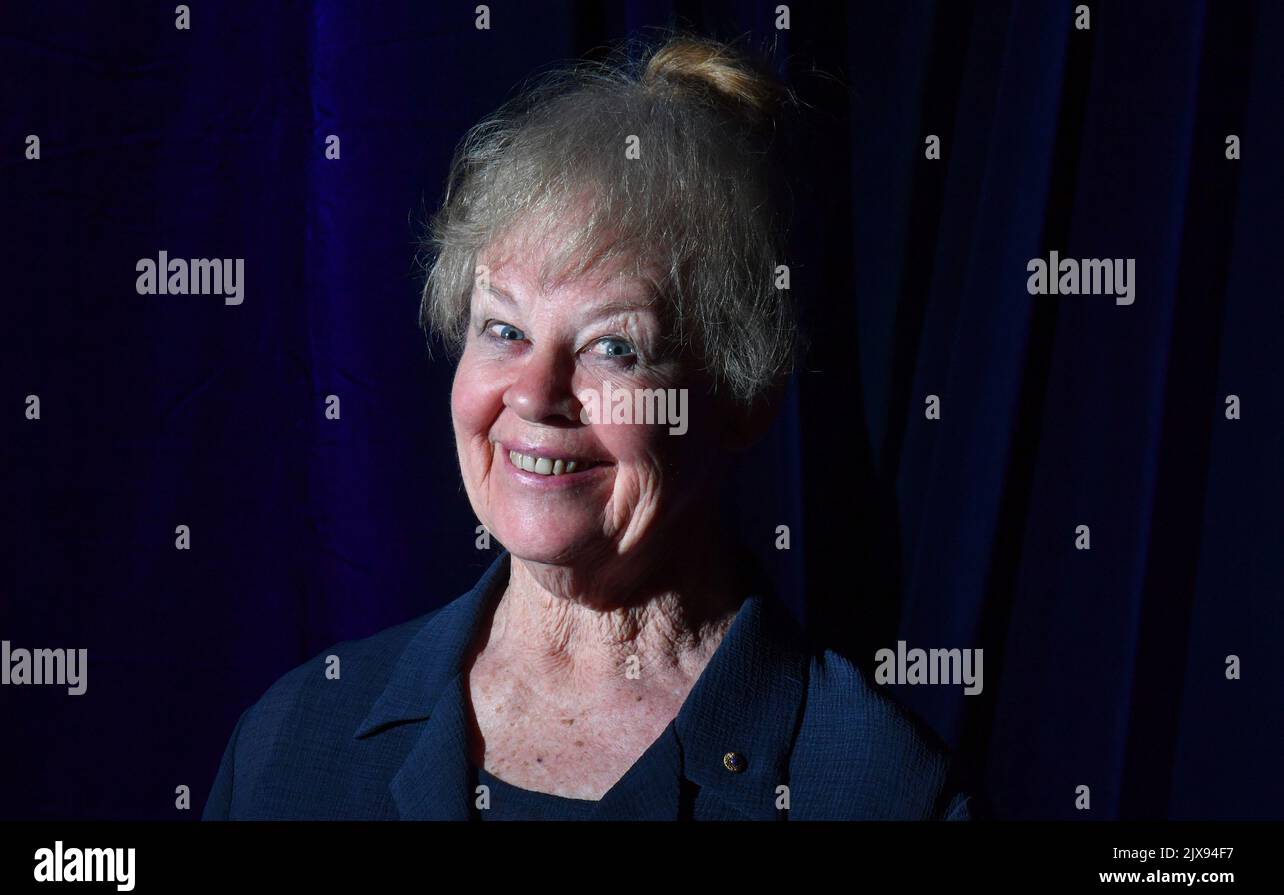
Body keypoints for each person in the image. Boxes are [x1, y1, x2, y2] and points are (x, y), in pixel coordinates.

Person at [202, 34, 973, 821]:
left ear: (744, 396)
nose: (536, 395)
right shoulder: (292, 741)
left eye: (614, 346)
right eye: (503, 330)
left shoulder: (878, 793)